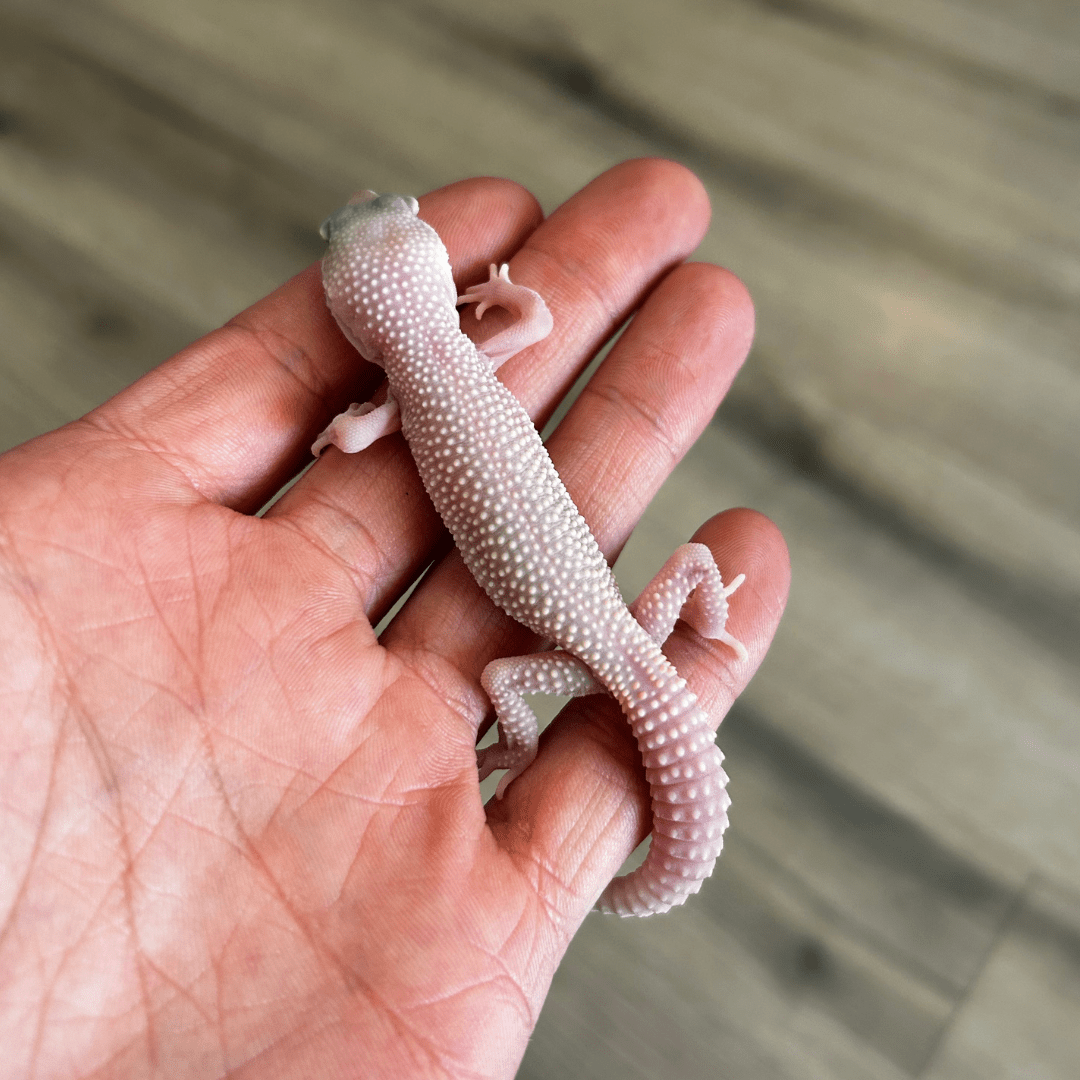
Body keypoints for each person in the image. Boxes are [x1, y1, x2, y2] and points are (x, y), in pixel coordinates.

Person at [0, 159, 788, 1079]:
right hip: (622, 628)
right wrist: (495, 293)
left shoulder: (398, 394)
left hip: (586, 651)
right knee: (682, 571)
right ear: (430, 273)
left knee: (499, 682)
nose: (370, 207)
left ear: (358, 322)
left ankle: (528, 751)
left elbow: (359, 438)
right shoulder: (459, 349)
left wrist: (338, 435)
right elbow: (532, 317)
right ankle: (705, 613)